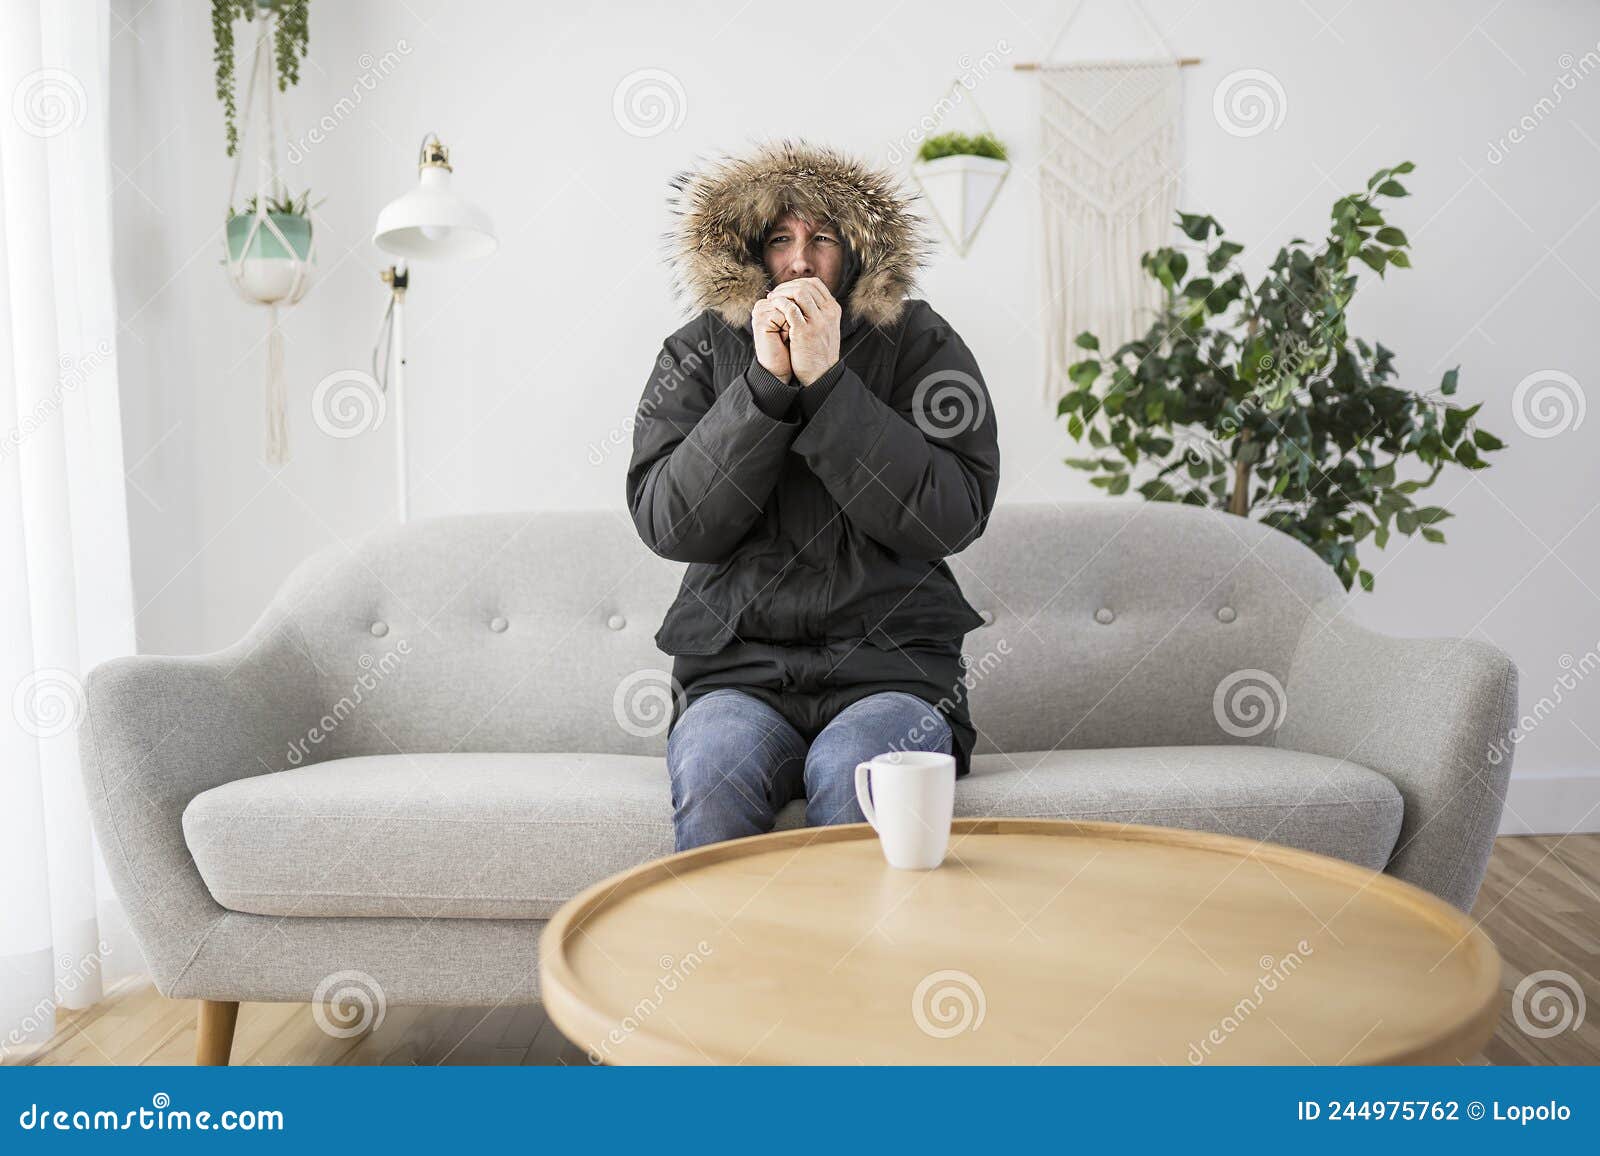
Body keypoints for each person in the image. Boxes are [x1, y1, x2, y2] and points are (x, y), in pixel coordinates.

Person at [625, 138, 1000, 852]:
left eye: (822, 238)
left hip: (893, 674)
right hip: (736, 676)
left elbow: (954, 512)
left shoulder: (920, 342)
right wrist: (763, 389)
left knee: (851, 770)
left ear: (857, 251)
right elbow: (671, 523)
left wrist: (831, 386)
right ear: (749, 253)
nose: (799, 260)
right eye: (780, 239)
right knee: (714, 770)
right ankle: (728, 967)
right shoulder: (697, 353)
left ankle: (852, 967)